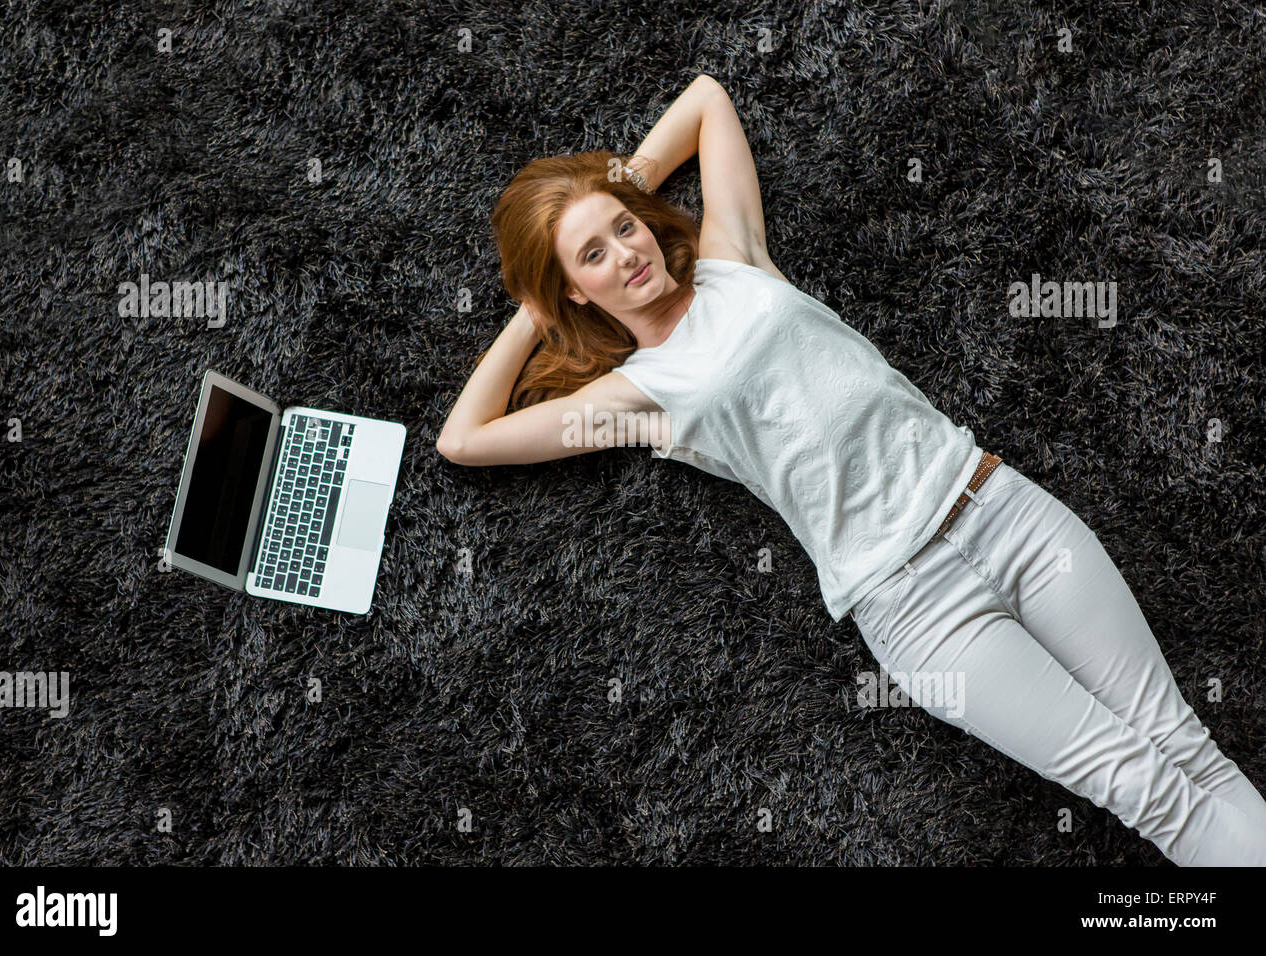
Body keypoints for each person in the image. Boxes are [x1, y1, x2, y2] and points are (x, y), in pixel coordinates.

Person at [437, 74, 1266, 865]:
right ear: (572, 292)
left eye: (625, 226)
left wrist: (614, 188)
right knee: (1151, 792)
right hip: (915, 607)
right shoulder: (638, 394)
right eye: (591, 255)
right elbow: (464, 439)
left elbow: (705, 102)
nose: (625, 253)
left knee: (1189, 746)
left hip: (1000, 508)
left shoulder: (734, 258)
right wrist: (534, 308)